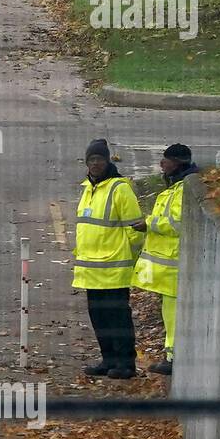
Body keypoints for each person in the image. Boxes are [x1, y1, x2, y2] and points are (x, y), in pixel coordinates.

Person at [73, 138, 143, 379]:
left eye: (99, 159)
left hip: (114, 269)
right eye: (91, 160)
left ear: (107, 161)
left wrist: (130, 258)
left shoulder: (119, 188)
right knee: (99, 317)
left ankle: (126, 363)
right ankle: (109, 359)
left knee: (117, 318)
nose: (95, 164)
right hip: (91, 270)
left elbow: (135, 230)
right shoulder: (88, 188)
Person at [133, 144, 199, 376]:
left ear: (178, 163)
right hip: (170, 266)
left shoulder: (183, 189)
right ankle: (171, 355)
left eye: (166, 160)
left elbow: (176, 223)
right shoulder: (178, 186)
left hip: (174, 265)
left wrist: (148, 223)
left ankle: (173, 358)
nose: (162, 163)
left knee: (173, 316)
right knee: (169, 314)